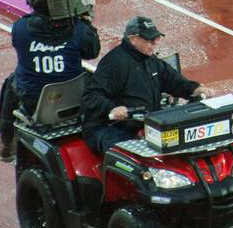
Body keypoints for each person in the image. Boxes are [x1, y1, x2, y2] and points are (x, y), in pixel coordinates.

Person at [0, 0, 100, 162]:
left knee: (11, 82)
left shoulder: (20, 28)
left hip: (35, 102)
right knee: (92, 76)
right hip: (74, 98)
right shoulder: (77, 28)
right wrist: (84, 21)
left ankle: (6, 141)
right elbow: (92, 52)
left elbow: (21, 49)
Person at [81, 16, 214, 155]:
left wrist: (195, 89)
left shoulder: (150, 59)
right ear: (133, 39)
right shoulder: (114, 63)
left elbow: (173, 80)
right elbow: (90, 96)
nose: (155, 43)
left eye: (156, 39)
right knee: (128, 158)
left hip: (147, 123)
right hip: (110, 127)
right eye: (150, 40)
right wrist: (113, 108)